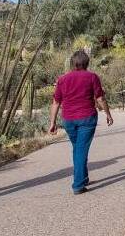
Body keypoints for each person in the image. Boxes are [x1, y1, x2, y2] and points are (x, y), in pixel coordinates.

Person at [48, 50, 114, 195]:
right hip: (87, 118)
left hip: (68, 120)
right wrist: (108, 114)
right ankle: (78, 185)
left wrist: (52, 122)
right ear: (87, 63)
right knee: (81, 149)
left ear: (72, 63)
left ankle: (83, 178)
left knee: (78, 148)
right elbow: (100, 98)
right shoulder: (92, 77)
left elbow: (56, 102)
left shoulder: (62, 79)